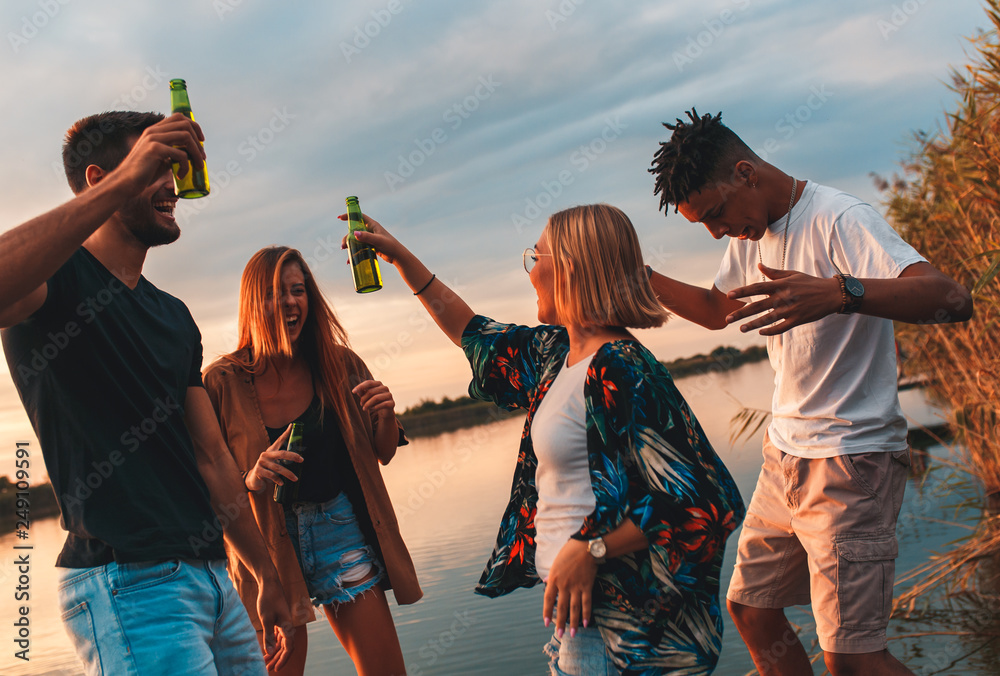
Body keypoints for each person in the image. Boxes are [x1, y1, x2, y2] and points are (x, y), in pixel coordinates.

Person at [350, 204, 746, 674]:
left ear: (571, 268)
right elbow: (472, 331)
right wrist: (399, 259)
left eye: (534, 257)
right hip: (575, 623)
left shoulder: (621, 368)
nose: (530, 272)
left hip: (624, 631)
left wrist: (591, 549)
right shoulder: (555, 354)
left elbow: (701, 501)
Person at [647, 109, 974, 676]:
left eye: (717, 215)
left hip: (851, 461)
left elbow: (950, 298)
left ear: (746, 173)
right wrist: (635, 270)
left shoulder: (839, 218)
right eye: (704, 225)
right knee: (752, 611)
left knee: (851, 657)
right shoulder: (752, 235)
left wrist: (841, 293)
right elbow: (716, 311)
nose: (718, 232)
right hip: (785, 457)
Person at [0, 111, 295, 674]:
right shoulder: (50, 283)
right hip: (127, 584)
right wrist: (123, 181)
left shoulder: (175, 317)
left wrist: (264, 574)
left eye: (173, 169)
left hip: (213, 579)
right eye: (156, 168)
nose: (173, 184)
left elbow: (211, 458)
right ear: (100, 179)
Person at [203, 246, 421, 676]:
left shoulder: (339, 363)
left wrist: (386, 414)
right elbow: (211, 482)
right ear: (252, 302)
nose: (288, 302)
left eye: (297, 290)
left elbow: (383, 451)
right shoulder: (221, 382)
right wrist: (251, 477)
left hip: (341, 536)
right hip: (265, 551)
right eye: (273, 293)